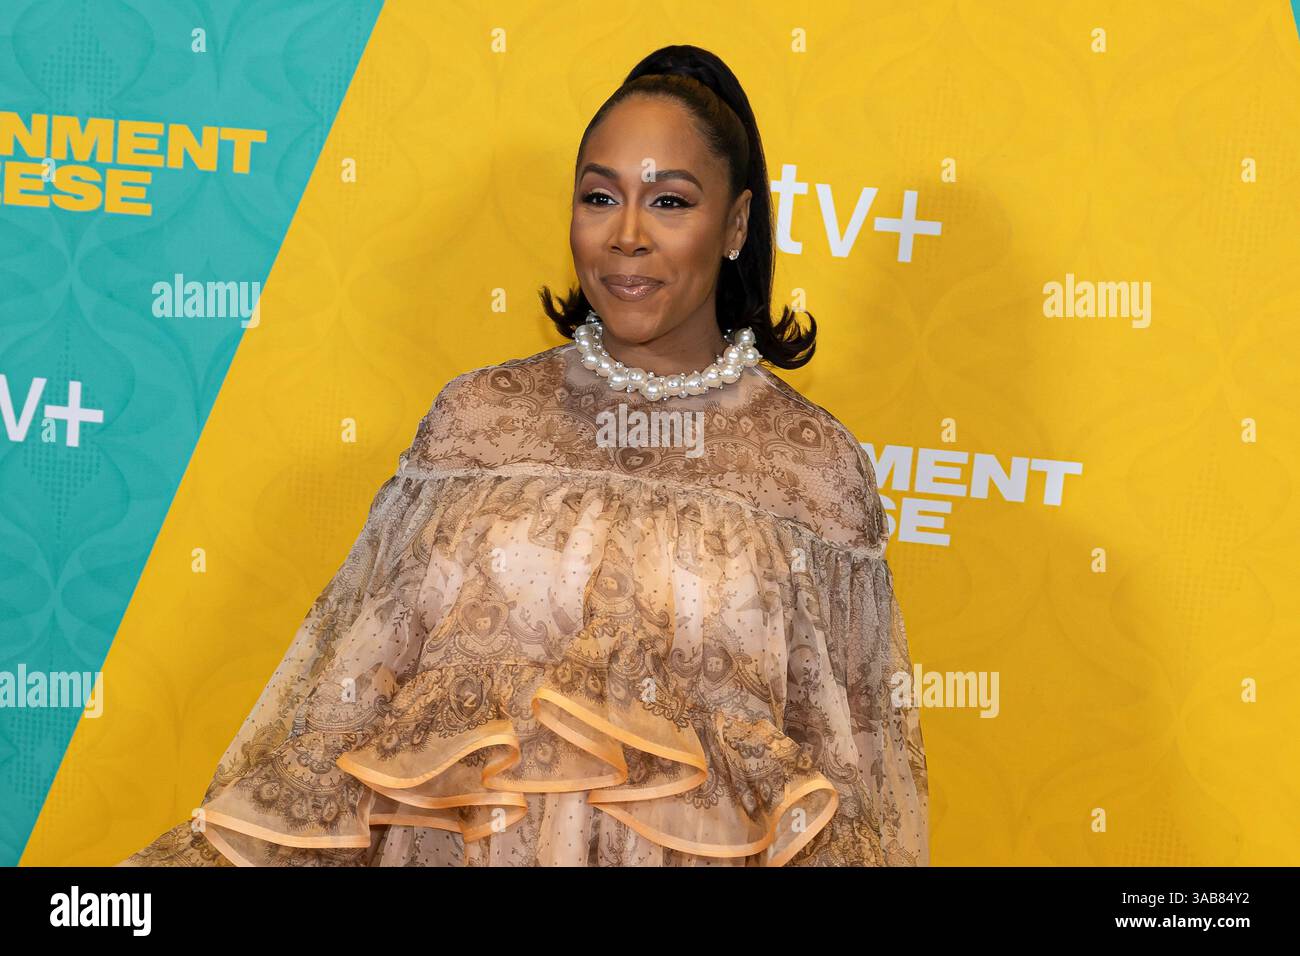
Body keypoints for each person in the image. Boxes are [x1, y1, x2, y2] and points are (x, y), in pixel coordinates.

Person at [120, 44, 929, 867]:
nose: (626, 236)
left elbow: (855, 779)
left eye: (671, 201)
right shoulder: (477, 423)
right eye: (600, 197)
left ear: (738, 225)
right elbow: (351, 700)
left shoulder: (813, 469)